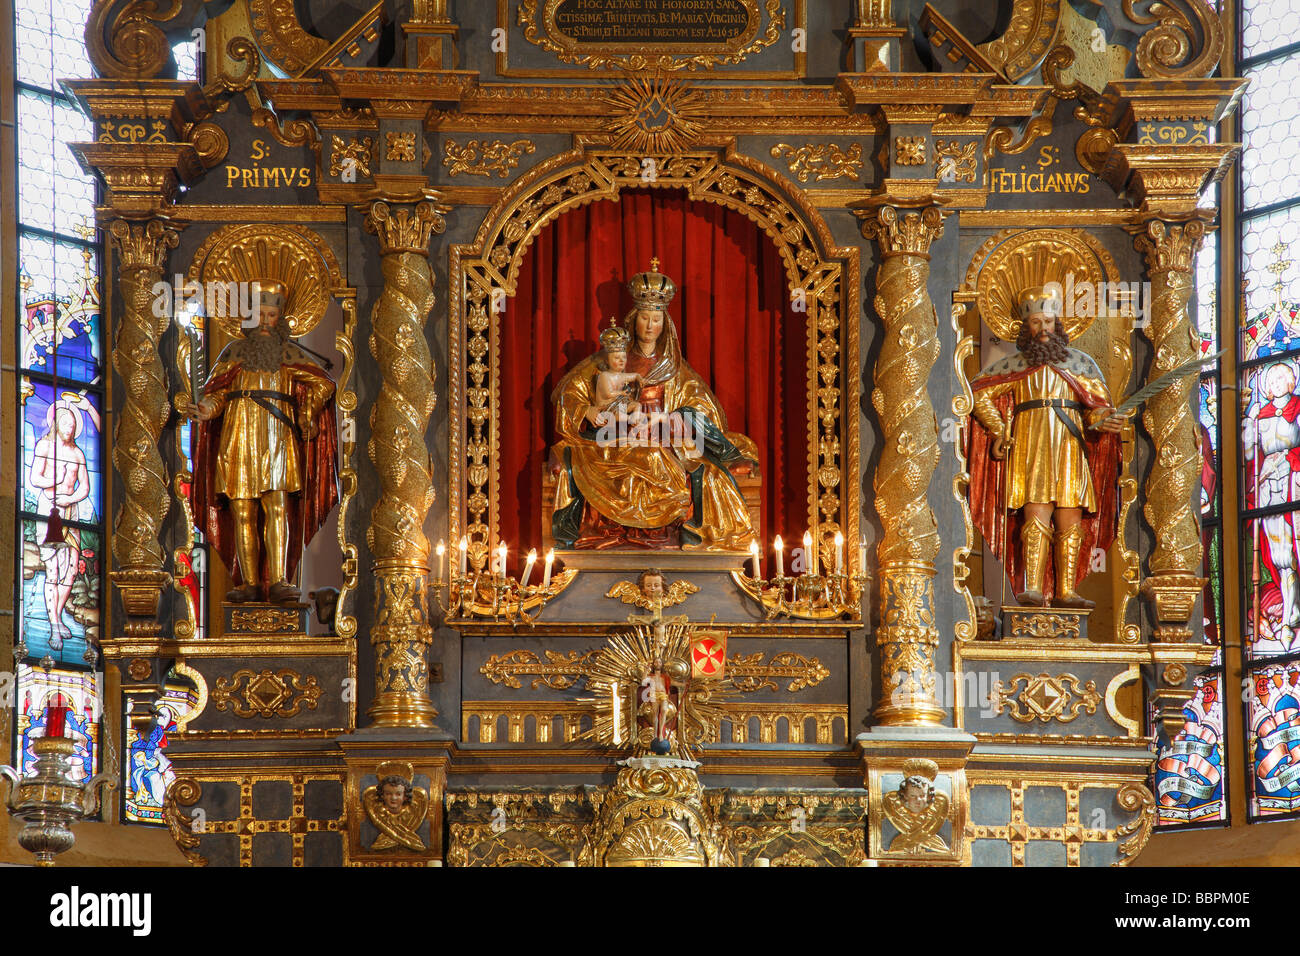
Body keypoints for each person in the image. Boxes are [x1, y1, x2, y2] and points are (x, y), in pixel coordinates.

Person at [551, 259, 758, 551]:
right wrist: (587, 410)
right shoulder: (612, 357)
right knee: (647, 458)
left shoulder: (672, 366)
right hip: (619, 433)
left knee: (698, 450)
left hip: (663, 431)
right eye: (645, 318)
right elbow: (571, 392)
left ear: (665, 324)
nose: (650, 326)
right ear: (634, 319)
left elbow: (700, 403)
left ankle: (693, 527)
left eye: (657, 320)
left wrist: (668, 419)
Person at [967, 285, 1123, 608]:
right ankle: (1032, 587)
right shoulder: (1016, 365)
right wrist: (998, 429)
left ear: (1058, 324)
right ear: (1026, 327)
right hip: (1031, 444)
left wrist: (1103, 418)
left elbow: (1097, 404)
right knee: (1035, 514)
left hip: (1069, 446)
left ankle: (1068, 591)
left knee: (1070, 516)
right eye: (1036, 323)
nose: (1042, 330)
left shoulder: (1080, 364)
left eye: (1048, 322)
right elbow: (978, 394)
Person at [184, 281, 339, 605]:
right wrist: (204, 408)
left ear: (281, 317)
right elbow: (217, 394)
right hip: (238, 433)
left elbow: (323, 384)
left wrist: (306, 413)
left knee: (277, 507)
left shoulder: (288, 352)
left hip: (276, 434)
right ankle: (248, 583)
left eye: (273, 314)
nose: (267, 320)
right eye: (262, 314)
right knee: (242, 509)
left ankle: (280, 580)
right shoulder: (234, 352)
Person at [1244, 362, 1300, 651]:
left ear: (1292, 382)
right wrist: (1249, 422)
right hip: (1267, 486)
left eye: (1281, 379)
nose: (1275, 383)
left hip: (1293, 481)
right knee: (1278, 555)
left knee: (1293, 552)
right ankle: (1289, 613)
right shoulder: (1261, 414)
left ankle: (1291, 616)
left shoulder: (1298, 408)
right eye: (1271, 379)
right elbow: (1248, 451)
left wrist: (1287, 460)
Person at [28, 399, 93, 648]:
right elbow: (34, 477)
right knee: (53, 571)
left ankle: (58, 613)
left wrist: (70, 497)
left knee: (71, 570)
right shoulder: (45, 445)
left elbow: (85, 487)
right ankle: (54, 623)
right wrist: (52, 480)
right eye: (65, 422)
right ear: (56, 423)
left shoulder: (78, 453)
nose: (69, 427)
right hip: (50, 510)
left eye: (73, 423)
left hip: (71, 512)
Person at [590, 323, 642, 426]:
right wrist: (621, 393)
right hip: (606, 408)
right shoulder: (604, 375)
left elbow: (634, 375)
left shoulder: (621, 375)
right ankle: (630, 419)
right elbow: (608, 394)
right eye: (617, 358)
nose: (622, 361)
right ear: (607, 360)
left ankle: (635, 419)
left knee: (637, 405)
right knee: (618, 415)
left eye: (624, 357)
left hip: (619, 405)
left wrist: (639, 378)